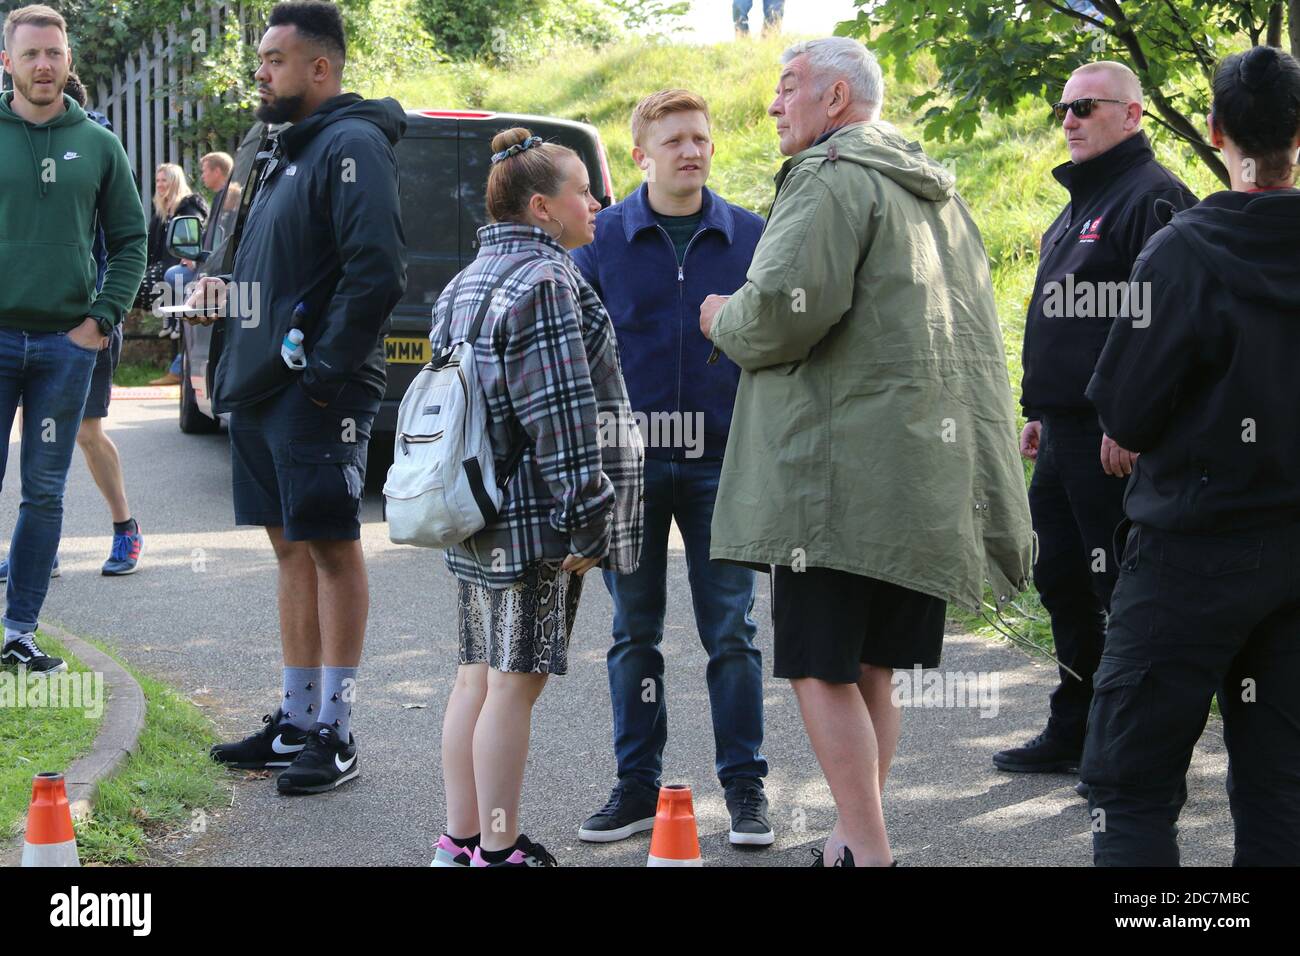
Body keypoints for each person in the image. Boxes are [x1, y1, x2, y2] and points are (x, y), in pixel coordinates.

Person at [700, 36, 1034, 867]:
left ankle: (869, 852)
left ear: (837, 101)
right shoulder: (938, 193)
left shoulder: (829, 175)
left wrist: (719, 318)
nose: (774, 106)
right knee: (874, 666)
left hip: (836, 479)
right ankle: (853, 839)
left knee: (819, 665)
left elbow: (780, 311)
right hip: (919, 475)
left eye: (788, 89)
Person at [1082, 45, 1300, 866]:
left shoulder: (1181, 251)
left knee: (1131, 784)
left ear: (1213, 133)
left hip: (1191, 551)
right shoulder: (1181, 247)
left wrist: (1133, 429)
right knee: (1281, 783)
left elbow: (1127, 405)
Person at [193, 1, 407, 795]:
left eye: (274, 59)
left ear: (322, 67)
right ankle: (296, 720)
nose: (261, 71)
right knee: (289, 547)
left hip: (317, 391)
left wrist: (322, 373)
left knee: (330, 545)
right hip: (258, 387)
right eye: (262, 59)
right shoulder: (282, 147)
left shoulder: (352, 144)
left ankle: (338, 732)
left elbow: (377, 270)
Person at [430, 127, 643, 868]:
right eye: (584, 189)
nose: (599, 201)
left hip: (472, 510)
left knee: (476, 678)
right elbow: (560, 416)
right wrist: (588, 522)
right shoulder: (548, 283)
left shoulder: (464, 281)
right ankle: (499, 848)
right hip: (534, 520)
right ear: (544, 209)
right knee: (513, 688)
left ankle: (460, 842)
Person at [571, 90, 772, 847]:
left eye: (702, 138)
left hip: (724, 460)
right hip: (632, 464)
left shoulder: (752, 236)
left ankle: (747, 791)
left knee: (733, 631)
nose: (692, 150)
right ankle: (634, 788)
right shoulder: (602, 240)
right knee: (634, 632)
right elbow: (576, 355)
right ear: (641, 155)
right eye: (676, 139)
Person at [995, 61, 1197, 778]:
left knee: (1124, 594)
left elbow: (1169, 328)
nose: (1070, 119)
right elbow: (1065, 324)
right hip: (1065, 432)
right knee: (1065, 584)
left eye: (1085, 105)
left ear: (1133, 115)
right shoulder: (1081, 201)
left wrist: (1133, 422)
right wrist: (1039, 411)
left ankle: (1135, 749)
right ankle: (1076, 727)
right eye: (1063, 108)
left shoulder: (1154, 197)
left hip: (1116, 440)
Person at [0, 4, 146, 673]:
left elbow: (131, 240)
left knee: (44, 490)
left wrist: (101, 319)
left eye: (54, 52)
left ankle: (19, 634)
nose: (43, 65)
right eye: (30, 53)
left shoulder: (97, 143)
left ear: (67, 58)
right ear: (8, 61)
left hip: (65, 348)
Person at [152, 151, 233, 387]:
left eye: (205, 170)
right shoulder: (219, 197)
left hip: (213, 271)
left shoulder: (214, 200)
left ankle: (176, 325)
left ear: (218, 171)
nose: (202, 175)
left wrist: (197, 260)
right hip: (211, 268)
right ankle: (176, 327)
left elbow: (218, 239)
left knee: (173, 278)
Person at [146, 162, 207, 371]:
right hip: (165, 265)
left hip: (187, 265)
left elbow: (195, 233)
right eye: (158, 180)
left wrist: (192, 256)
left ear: (175, 182)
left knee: (171, 276)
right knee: (146, 281)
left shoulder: (188, 206)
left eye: (165, 180)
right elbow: (152, 244)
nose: (160, 184)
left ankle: (174, 321)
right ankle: (170, 319)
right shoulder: (162, 211)